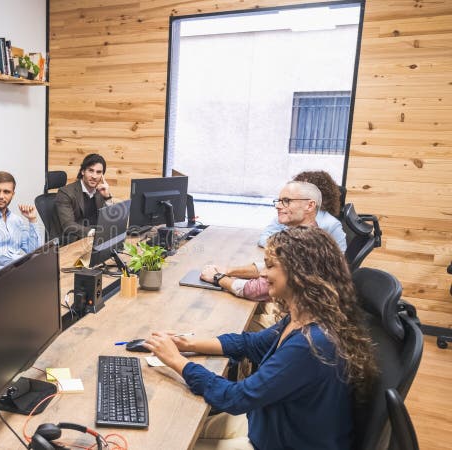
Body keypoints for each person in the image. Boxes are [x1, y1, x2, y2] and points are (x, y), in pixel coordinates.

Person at [145, 227, 377, 450]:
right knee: (174, 424)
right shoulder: (304, 316)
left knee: (166, 441)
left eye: (270, 266)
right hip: (269, 423)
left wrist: (177, 361)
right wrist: (188, 344)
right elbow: (251, 344)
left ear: (300, 272)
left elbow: (235, 398)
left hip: (285, 443)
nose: (263, 273)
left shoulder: (310, 344)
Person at [201, 181, 347, 329]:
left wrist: (217, 278)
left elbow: (256, 290)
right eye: (279, 201)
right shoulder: (306, 236)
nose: (278, 205)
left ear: (310, 205)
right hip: (299, 313)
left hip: (299, 324)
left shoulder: (301, 245)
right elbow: (268, 267)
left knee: (228, 322)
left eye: (286, 201)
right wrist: (229, 271)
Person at [258, 171, 345, 249]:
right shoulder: (287, 215)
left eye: (287, 200)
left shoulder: (330, 225)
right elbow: (264, 239)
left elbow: (339, 261)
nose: (278, 206)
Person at [53, 153, 113, 243]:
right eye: (91, 170)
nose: (94, 176)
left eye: (98, 172)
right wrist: (93, 233)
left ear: (102, 176)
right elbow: (68, 225)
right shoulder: (65, 193)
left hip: (93, 240)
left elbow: (109, 220)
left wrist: (107, 198)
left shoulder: (100, 191)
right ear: (83, 171)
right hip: (70, 242)